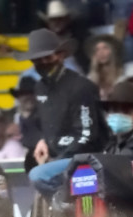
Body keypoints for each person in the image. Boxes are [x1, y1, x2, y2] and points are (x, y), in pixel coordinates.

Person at [19, 29, 108, 197]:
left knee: (39, 176)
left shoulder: (81, 87)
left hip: (85, 158)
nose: (43, 63)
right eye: (37, 60)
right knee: (31, 168)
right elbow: (43, 124)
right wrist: (42, 140)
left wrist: (58, 158)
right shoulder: (39, 88)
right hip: (56, 158)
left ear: (60, 55)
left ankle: (63, 203)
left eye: (47, 57)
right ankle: (58, 206)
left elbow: (86, 134)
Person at [103, 81, 133, 155]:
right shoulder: (108, 145)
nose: (119, 115)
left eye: (126, 110)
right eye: (115, 110)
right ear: (108, 115)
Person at [86, 34, 126, 99]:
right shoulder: (91, 77)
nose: (101, 53)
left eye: (105, 48)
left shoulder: (123, 73)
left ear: (112, 51)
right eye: (97, 50)